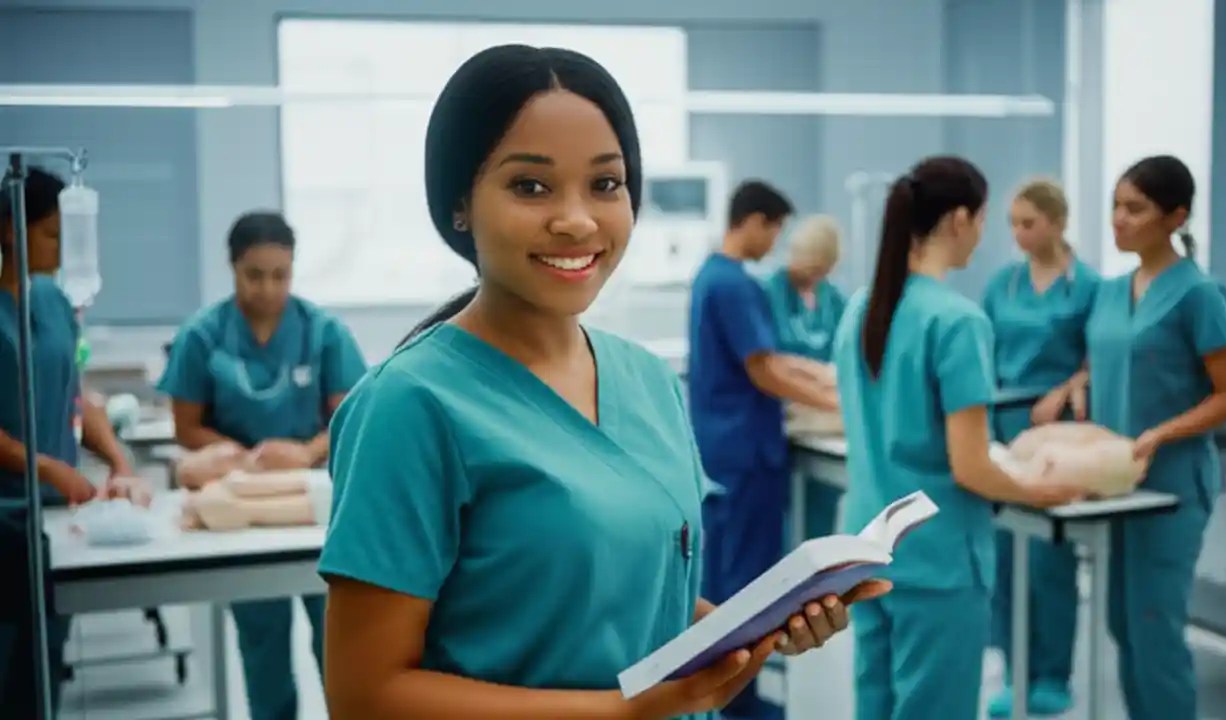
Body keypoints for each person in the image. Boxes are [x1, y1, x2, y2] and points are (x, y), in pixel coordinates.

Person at [316, 45, 888, 720]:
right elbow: (365, 695)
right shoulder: (409, 405)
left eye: (606, 184)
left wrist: (755, 626)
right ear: (459, 203)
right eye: (531, 186)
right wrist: (620, 710)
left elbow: (636, 603)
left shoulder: (648, 381)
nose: (578, 220)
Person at [831, 156, 1079, 720]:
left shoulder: (860, 310)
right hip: (936, 559)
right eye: (986, 220)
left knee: (875, 705)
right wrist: (1042, 492)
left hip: (866, 550)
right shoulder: (957, 321)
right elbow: (970, 467)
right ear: (960, 220)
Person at [156, 210, 367, 720]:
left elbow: (350, 418)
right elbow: (186, 426)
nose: (268, 288)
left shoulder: (323, 333)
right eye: (254, 275)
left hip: (312, 505)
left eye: (280, 275)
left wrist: (306, 452)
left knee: (339, 644)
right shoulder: (203, 335)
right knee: (262, 647)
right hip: (241, 505)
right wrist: (237, 456)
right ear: (232, 267)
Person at [1077, 155, 1226, 720]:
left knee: (1154, 628)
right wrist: (1076, 388)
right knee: (1121, 623)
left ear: (1175, 217)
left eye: (1135, 208)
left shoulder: (1199, 294)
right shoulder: (1109, 292)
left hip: (1171, 486)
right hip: (1115, 483)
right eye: (1115, 206)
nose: (1118, 219)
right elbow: (1104, 362)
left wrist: (1159, 434)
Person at [687, 180, 840, 720]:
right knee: (747, 586)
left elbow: (772, 359)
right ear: (754, 221)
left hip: (724, 450)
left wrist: (822, 380)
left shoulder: (711, 276)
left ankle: (725, 698)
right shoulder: (736, 285)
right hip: (746, 455)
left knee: (723, 577)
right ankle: (740, 704)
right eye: (774, 230)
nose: (775, 243)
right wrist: (841, 405)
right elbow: (765, 370)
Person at [0, 167, 143, 715]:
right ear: (11, 229)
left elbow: (75, 392)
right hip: (7, 515)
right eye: (52, 235)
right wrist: (47, 467)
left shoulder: (55, 301)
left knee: (46, 666)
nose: (63, 251)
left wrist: (118, 462)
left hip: (57, 518)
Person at [981, 179, 1101, 717]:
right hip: (1002, 427)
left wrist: (1069, 385)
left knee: (1050, 561)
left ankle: (1054, 675)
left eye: (1028, 223)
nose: (1018, 233)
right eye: (1012, 223)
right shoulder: (1002, 285)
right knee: (1006, 556)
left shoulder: (1088, 287)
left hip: (1056, 434)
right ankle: (1016, 671)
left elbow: (1100, 354)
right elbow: (981, 350)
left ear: (1058, 222)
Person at [763, 214, 847, 361]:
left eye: (822, 272)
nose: (814, 279)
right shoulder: (769, 292)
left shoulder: (834, 300)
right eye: (812, 270)